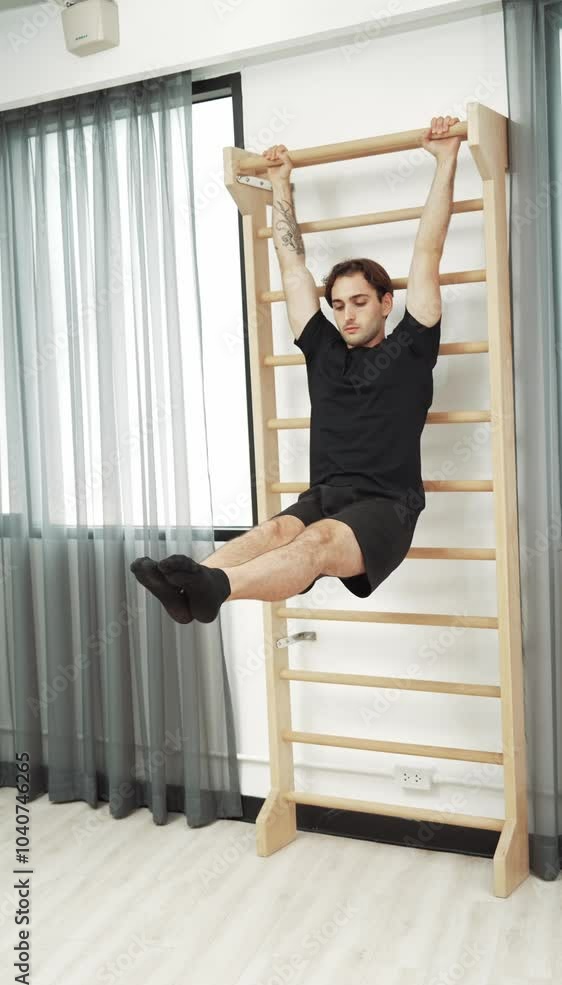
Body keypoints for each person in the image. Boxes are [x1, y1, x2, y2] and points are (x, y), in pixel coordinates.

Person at [131, 115, 462, 624]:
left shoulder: (412, 347)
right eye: (338, 305)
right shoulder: (325, 351)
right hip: (325, 495)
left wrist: (446, 159)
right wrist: (281, 184)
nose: (347, 314)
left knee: (317, 540)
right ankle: (186, 586)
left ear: (386, 303)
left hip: (385, 507)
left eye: (359, 302)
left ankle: (214, 586)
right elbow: (291, 265)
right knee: (274, 532)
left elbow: (427, 250)